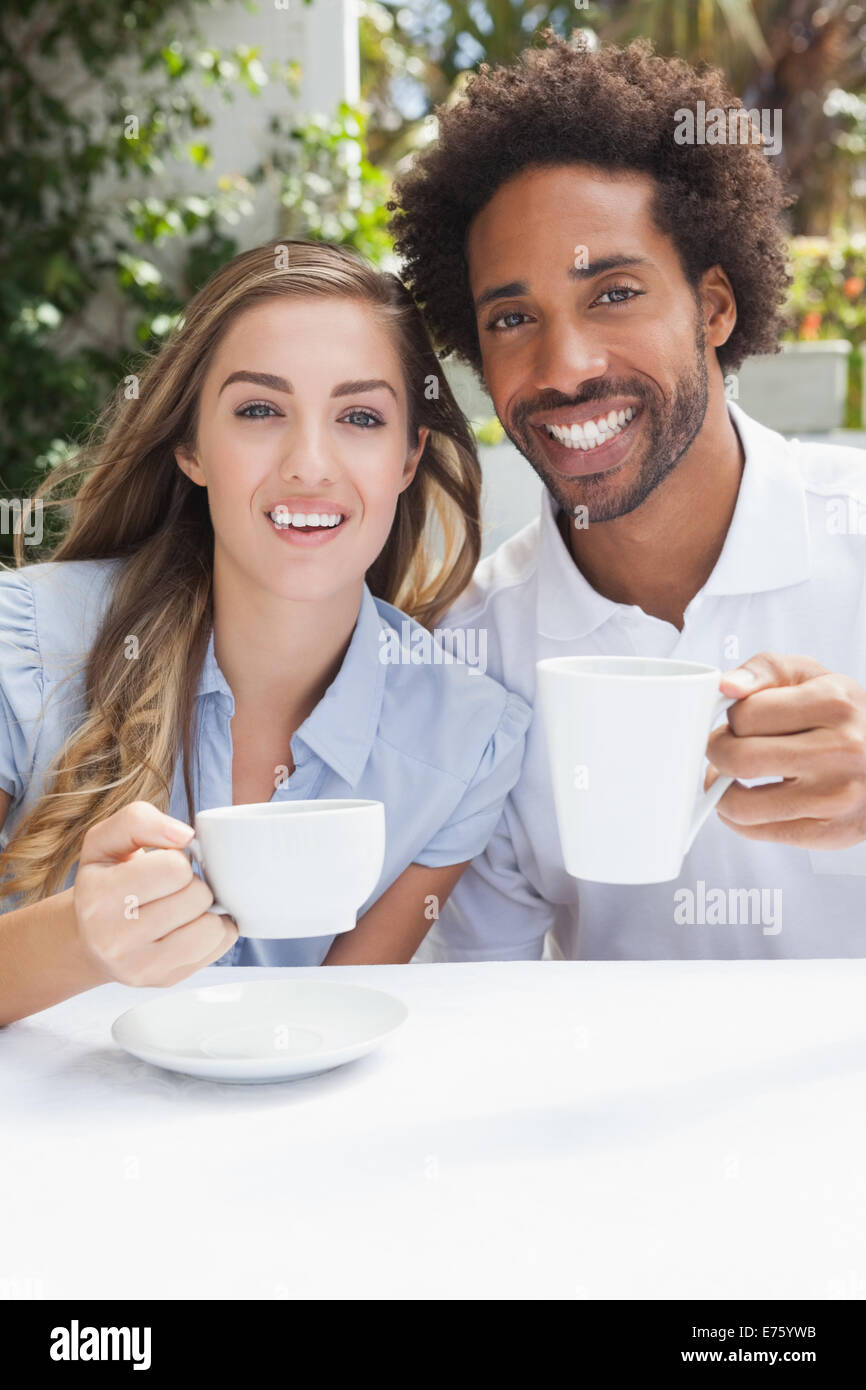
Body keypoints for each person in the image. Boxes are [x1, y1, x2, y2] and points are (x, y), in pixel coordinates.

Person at [387, 33, 866, 961]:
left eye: (613, 292)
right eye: (514, 318)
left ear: (715, 307)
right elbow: (477, 1005)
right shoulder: (470, 659)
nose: (565, 367)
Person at [0, 240, 531, 1024]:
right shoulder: (27, 643)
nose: (309, 465)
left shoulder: (466, 742)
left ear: (409, 455)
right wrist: (78, 943)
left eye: (359, 417)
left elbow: (331, 1026)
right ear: (191, 446)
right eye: (259, 410)